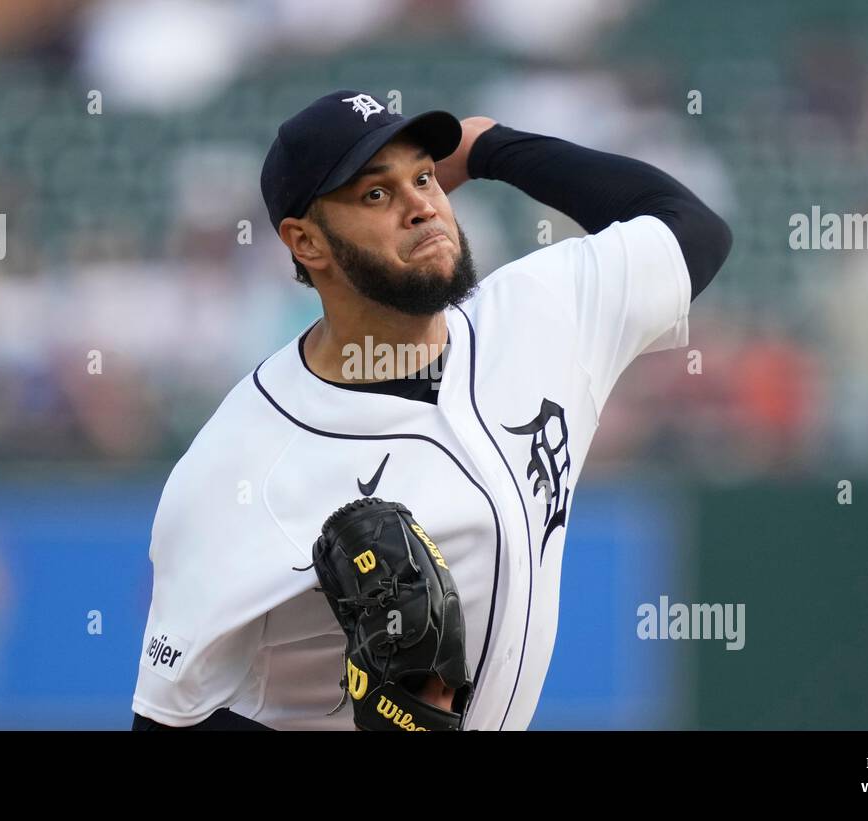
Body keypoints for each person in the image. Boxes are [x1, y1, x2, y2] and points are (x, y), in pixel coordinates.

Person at [132, 89, 731, 730]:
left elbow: (691, 226)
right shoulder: (238, 467)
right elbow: (169, 719)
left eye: (423, 177)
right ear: (306, 242)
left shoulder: (539, 313)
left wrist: (489, 147)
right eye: (376, 194)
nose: (421, 206)